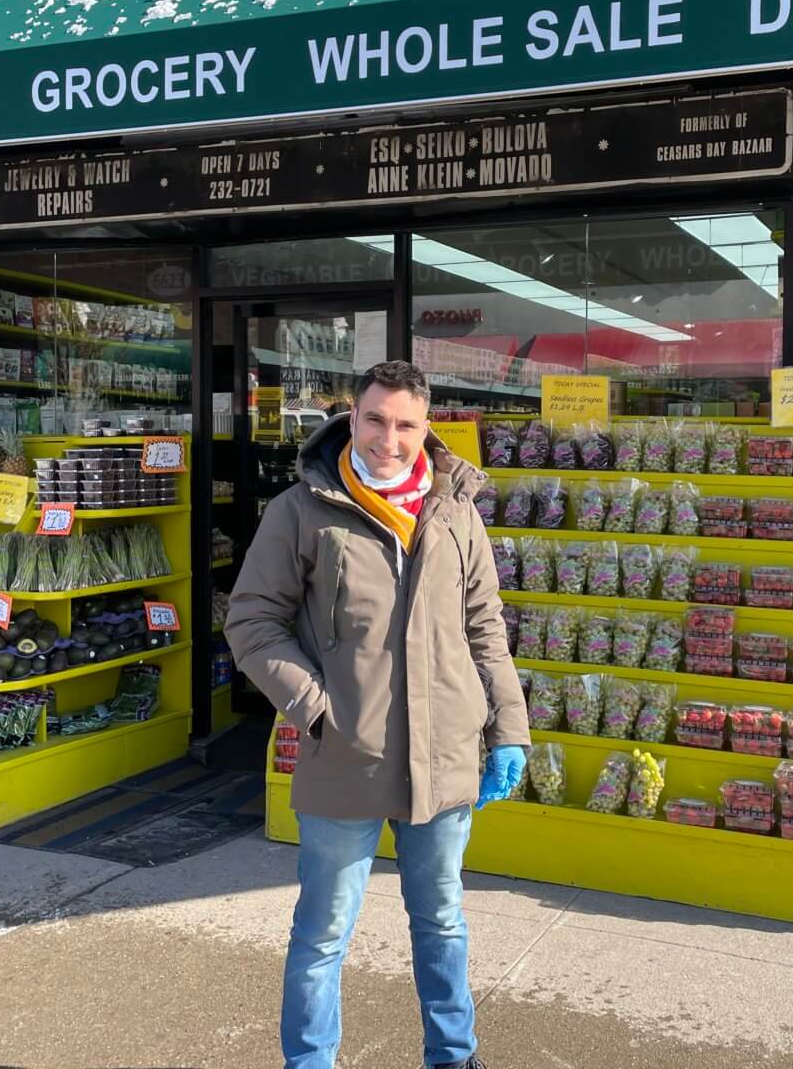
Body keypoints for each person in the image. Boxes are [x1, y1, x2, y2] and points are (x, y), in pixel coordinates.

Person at [228, 360, 529, 1069]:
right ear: (351, 417)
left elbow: (484, 626)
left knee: (442, 920)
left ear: (426, 430)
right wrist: (319, 711)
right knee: (323, 933)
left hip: (444, 755)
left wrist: (507, 728)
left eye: (405, 425)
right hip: (346, 757)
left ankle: (452, 1055)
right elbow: (252, 623)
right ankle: (310, 1061)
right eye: (375, 420)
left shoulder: (455, 510)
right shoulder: (302, 510)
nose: (388, 439)